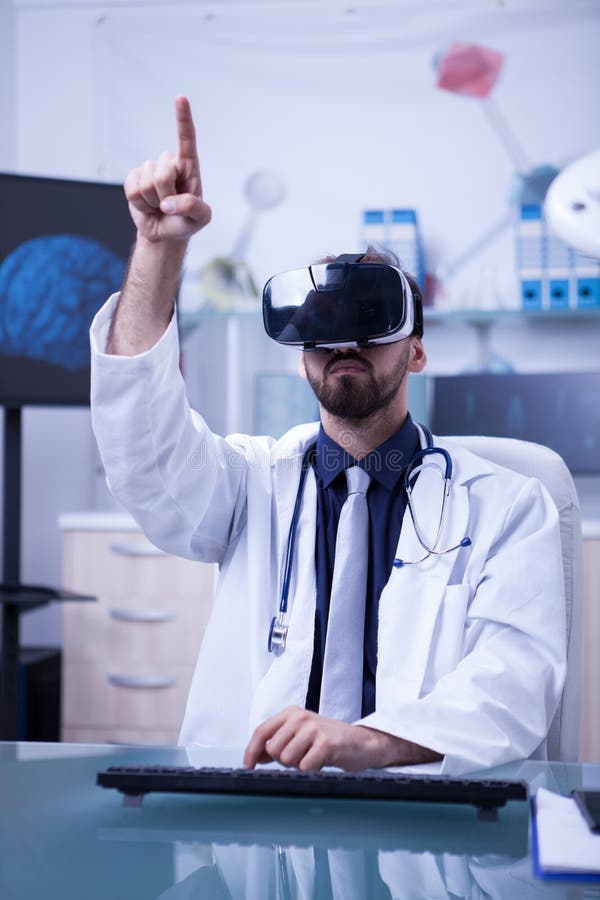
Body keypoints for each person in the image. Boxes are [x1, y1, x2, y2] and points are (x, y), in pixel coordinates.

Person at [90, 96, 566, 775]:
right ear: (299, 346)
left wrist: (370, 742)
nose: (345, 342)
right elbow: (141, 448)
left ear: (418, 351)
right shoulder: (247, 484)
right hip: (255, 831)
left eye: (370, 319)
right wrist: (159, 250)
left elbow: (514, 686)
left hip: (424, 836)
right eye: (323, 324)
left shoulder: (510, 506)